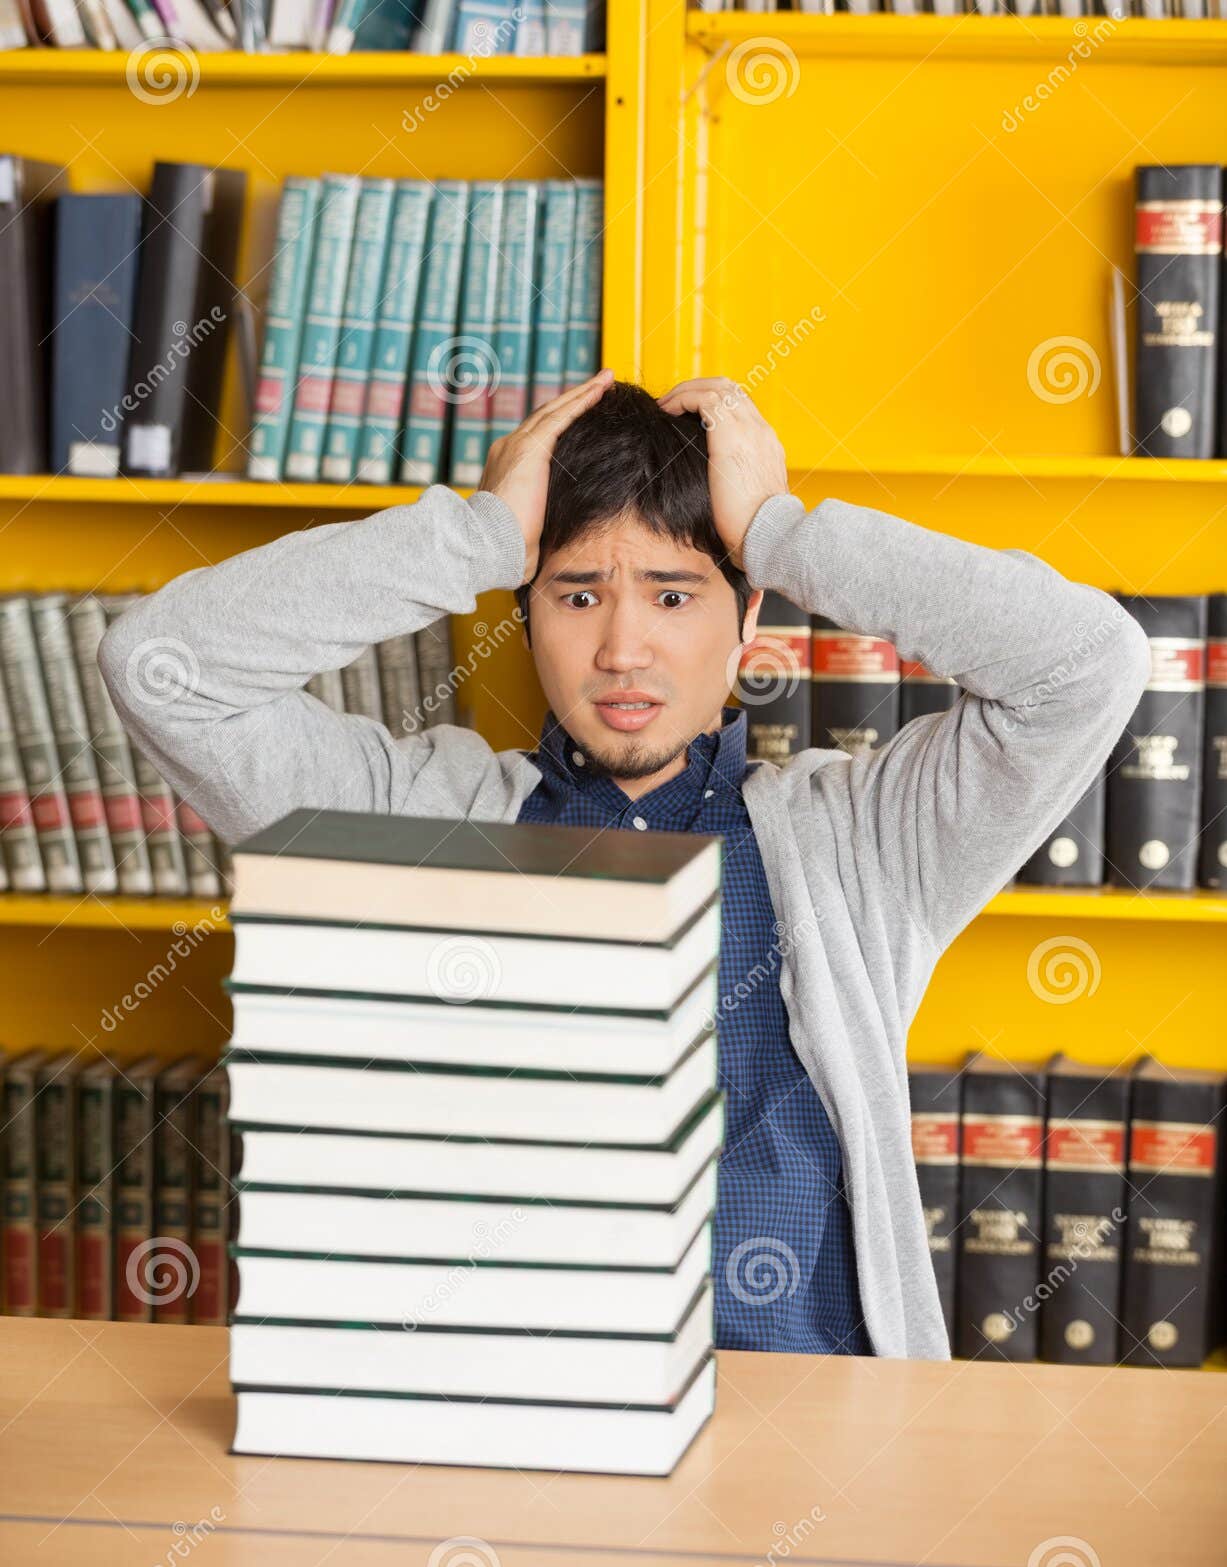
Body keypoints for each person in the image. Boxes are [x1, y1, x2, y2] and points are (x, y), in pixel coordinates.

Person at [99, 371, 1151, 1361]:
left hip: (816, 1440)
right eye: (577, 594)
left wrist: (784, 534)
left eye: (674, 593)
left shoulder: (864, 841)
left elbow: (1087, 663)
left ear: (749, 618)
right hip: (509, 1448)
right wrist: (471, 537)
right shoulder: (411, 820)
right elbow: (160, 666)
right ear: (522, 612)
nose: (624, 649)